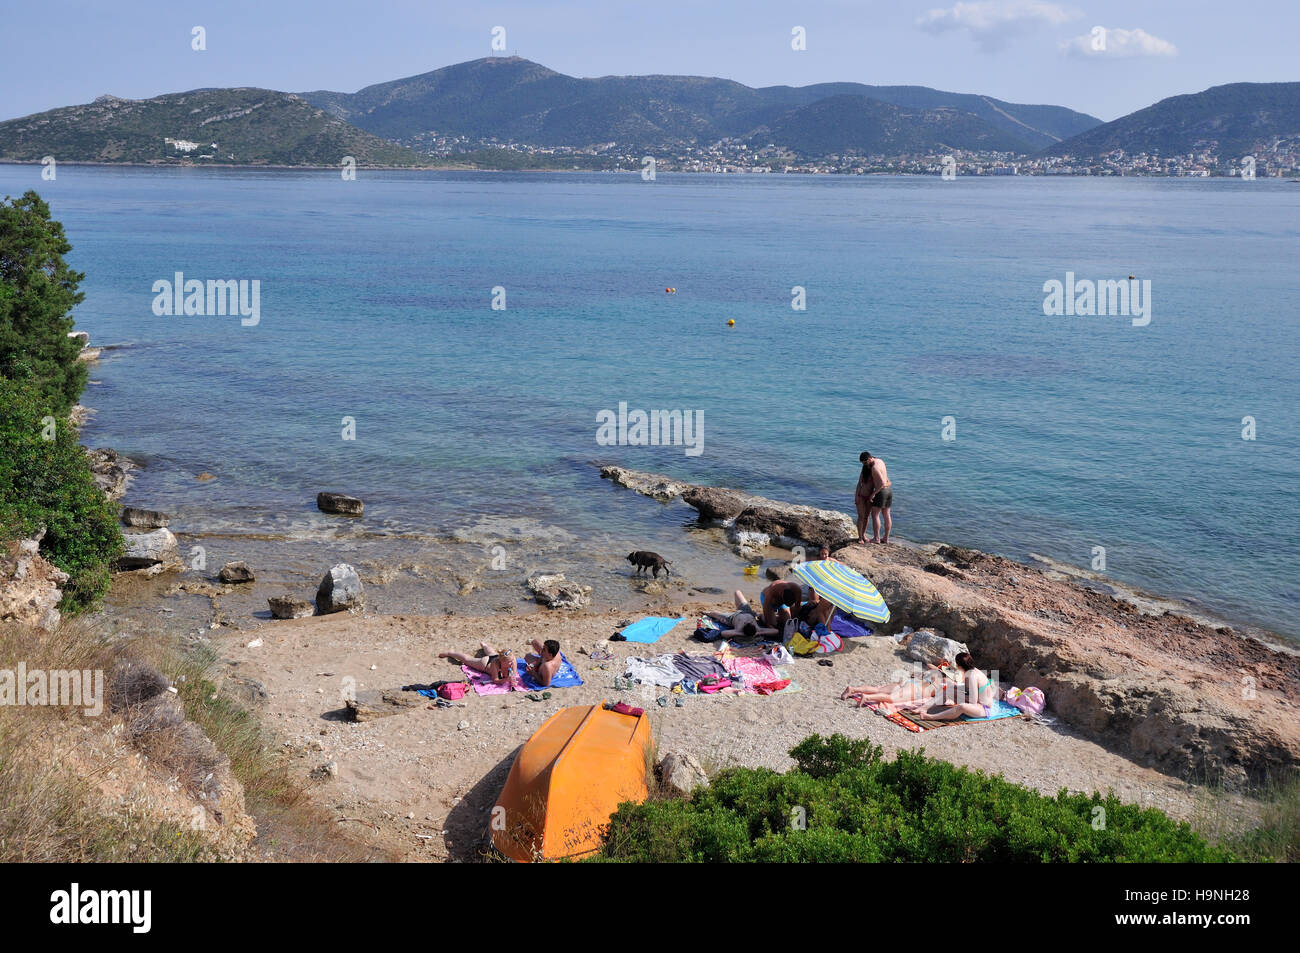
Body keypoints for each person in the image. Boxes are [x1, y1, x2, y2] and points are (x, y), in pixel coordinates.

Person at [891, 652, 999, 720]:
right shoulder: (971, 671)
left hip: (984, 709)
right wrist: (954, 689)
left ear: (959, 666)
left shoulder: (972, 676)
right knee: (949, 689)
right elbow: (968, 690)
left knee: (962, 707)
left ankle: (931, 717)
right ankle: (923, 708)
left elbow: (973, 701)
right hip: (977, 702)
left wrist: (958, 693)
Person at [705, 590, 779, 641]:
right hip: (747, 611)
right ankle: (758, 615)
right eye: (751, 622)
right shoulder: (758, 629)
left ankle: (704, 611)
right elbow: (776, 631)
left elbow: (723, 633)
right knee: (737, 592)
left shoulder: (739, 630)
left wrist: (740, 633)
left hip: (732, 617)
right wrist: (759, 632)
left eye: (747, 623)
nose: (748, 621)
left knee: (714, 613)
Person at [439, 641, 518, 688]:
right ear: (502, 662)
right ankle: (451, 653)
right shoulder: (495, 665)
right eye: (509, 662)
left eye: (512, 661)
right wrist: (507, 679)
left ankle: (484, 645)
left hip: (496, 657)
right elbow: (495, 680)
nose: (512, 663)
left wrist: (513, 680)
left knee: (492, 653)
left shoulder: (512, 659)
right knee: (467, 660)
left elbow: (514, 675)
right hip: (485, 664)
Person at [856, 451, 893, 544]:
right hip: (887, 491)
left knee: (874, 515)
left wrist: (873, 494)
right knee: (886, 515)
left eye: (864, 463)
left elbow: (882, 483)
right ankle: (885, 538)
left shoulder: (874, 468)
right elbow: (887, 481)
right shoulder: (880, 461)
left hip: (879, 493)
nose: (864, 465)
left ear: (869, 459)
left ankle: (876, 538)